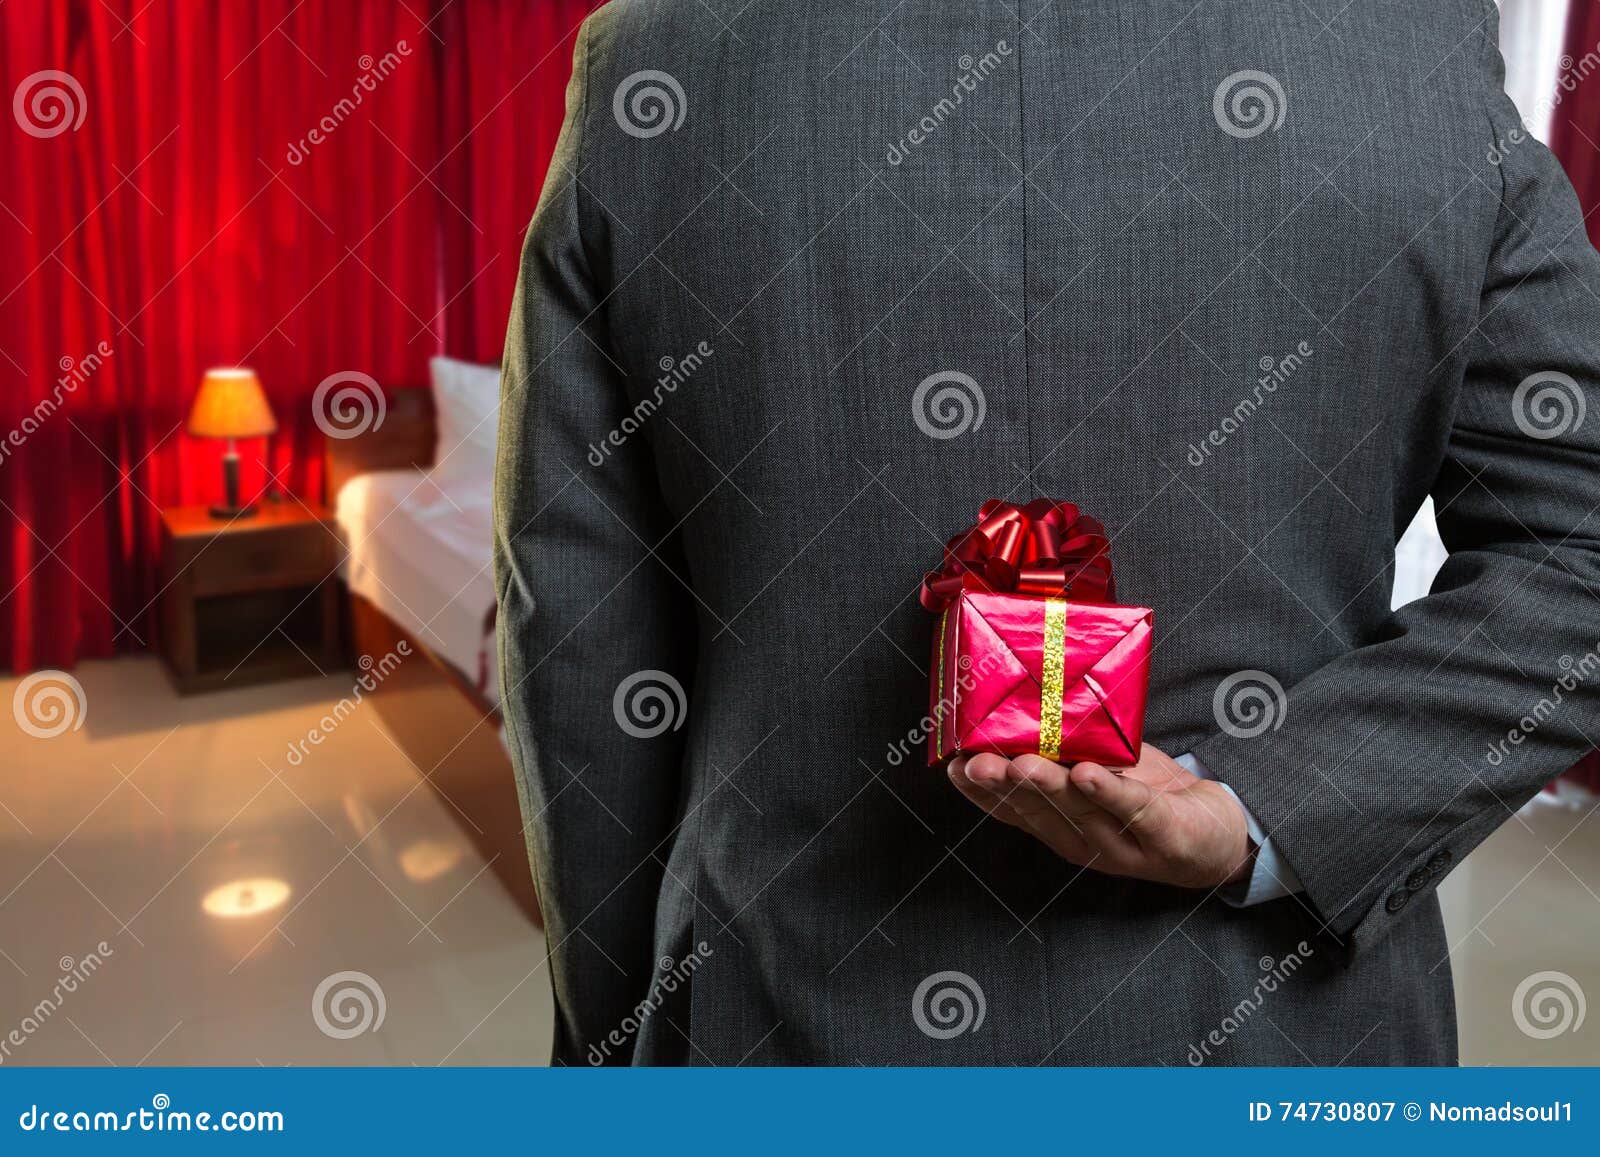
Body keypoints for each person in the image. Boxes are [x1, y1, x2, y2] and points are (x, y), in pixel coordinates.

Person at [494, 0, 1599, 1065]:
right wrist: (1269, 804)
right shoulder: (1406, 50)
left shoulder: (659, 60)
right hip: (1280, 1045)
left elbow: (577, 650)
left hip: (782, 1022)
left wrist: (611, 1049)